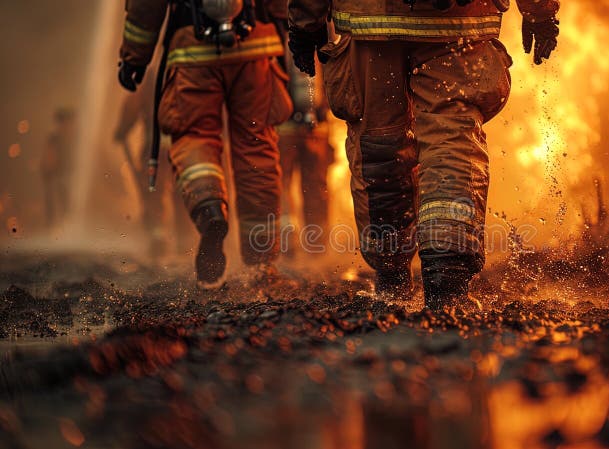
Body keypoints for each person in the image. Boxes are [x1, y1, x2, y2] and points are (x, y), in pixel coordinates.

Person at [288, 0, 560, 309]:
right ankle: (447, 279)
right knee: (451, 140)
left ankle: (392, 278)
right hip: (457, 26)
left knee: (380, 147)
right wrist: (540, 11)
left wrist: (305, 22)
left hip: (370, 22)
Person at [117, 0, 293, 288]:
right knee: (256, 148)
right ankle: (261, 264)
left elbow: (146, 5)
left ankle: (210, 210)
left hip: (192, 50)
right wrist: (293, 31)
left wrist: (134, 57)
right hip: (256, 47)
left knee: (194, 138)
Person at [113, 70, 194, 260]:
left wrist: (122, 129)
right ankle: (183, 243)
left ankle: (159, 241)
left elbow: (132, 106)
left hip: (155, 150)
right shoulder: (187, 76)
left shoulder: (148, 80)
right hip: (183, 149)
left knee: (153, 194)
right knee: (183, 193)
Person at [277, 42, 334, 257]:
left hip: (290, 124)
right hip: (309, 124)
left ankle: (295, 245)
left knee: (289, 184)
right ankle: (312, 245)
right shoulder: (323, 31)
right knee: (313, 186)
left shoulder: (279, 31)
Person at [41, 108, 76, 229]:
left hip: (68, 177)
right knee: (56, 204)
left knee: (67, 203)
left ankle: (67, 224)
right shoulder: (54, 139)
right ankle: (55, 227)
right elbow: (49, 159)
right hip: (57, 177)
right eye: (66, 122)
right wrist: (51, 172)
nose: (69, 126)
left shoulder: (76, 139)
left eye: (70, 122)